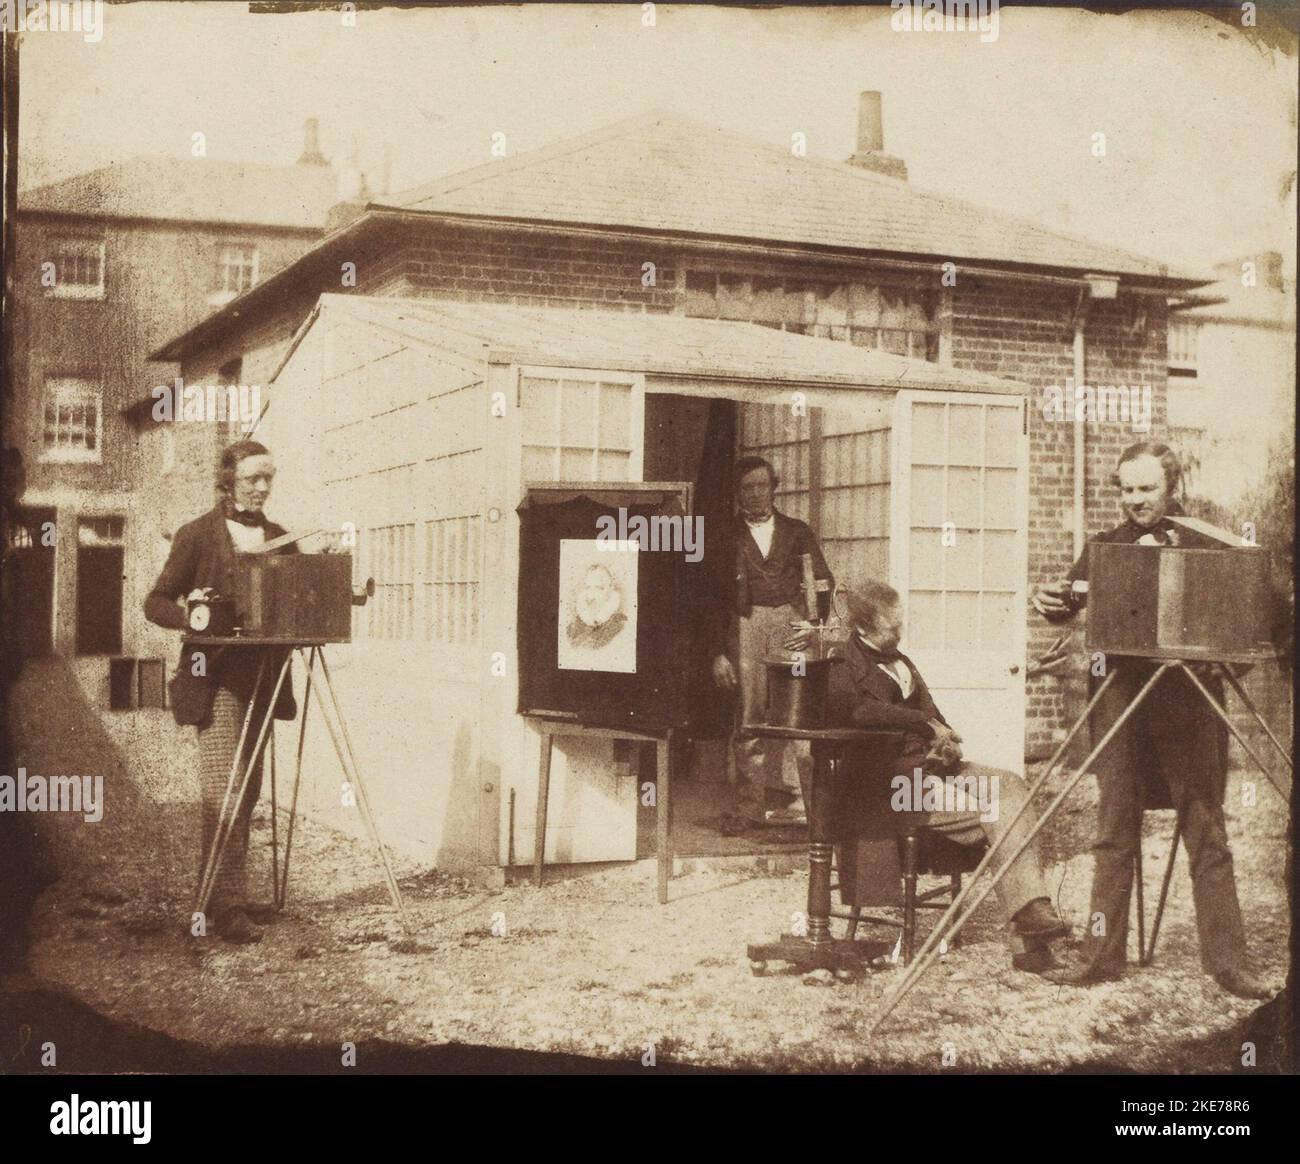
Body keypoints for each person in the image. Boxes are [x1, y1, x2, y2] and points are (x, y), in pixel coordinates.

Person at [1032, 441, 1274, 999]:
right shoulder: (1104, 547)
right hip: (1119, 699)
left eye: (1147, 488)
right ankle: (1100, 956)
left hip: (1186, 705)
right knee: (1113, 830)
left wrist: (1221, 658)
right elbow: (1066, 601)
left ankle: (1230, 964)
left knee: (1205, 829)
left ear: (1172, 488)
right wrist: (1050, 601)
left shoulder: (1209, 543)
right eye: (1127, 489)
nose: (1135, 500)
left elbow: (1250, 617)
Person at [842, 579, 1070, 967]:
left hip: (934, 767)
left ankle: (1031, 914)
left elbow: (933, 714)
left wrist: (945, 736)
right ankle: (1028, 940)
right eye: (891, 626)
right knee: (999, 816)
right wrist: (923, 724)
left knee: (1011, 786)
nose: (900, 632)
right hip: (894, 784)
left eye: (901, 623)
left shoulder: (901, 660)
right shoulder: (843, 664)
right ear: (863, 627)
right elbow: (860, 713)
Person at [144, 440, 297, 945]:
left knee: (247, 789)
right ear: (228, 479)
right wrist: (190, 615)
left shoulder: (280, 538)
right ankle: (226, 906)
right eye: (253, 477)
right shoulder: (196, 536)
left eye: (269, 477)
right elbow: (155, 600)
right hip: (214, 679)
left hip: (263, 679)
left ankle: (219, 897)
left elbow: (300, 598)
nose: (262, 486)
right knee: (222, 790)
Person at [708, 456, 832, 825]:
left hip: (793, 626)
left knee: (803, 718)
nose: (757, 493)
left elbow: (822, 581)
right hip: (745, 626)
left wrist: (813, 625)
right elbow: (712, 598)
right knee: (749, 718)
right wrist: (718, 653)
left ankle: (813, 810)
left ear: (774, 488)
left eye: (763, 485)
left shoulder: (798, 532)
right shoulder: (724, 535)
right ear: (737, 493)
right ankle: (750, 809)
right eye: (748, 487)